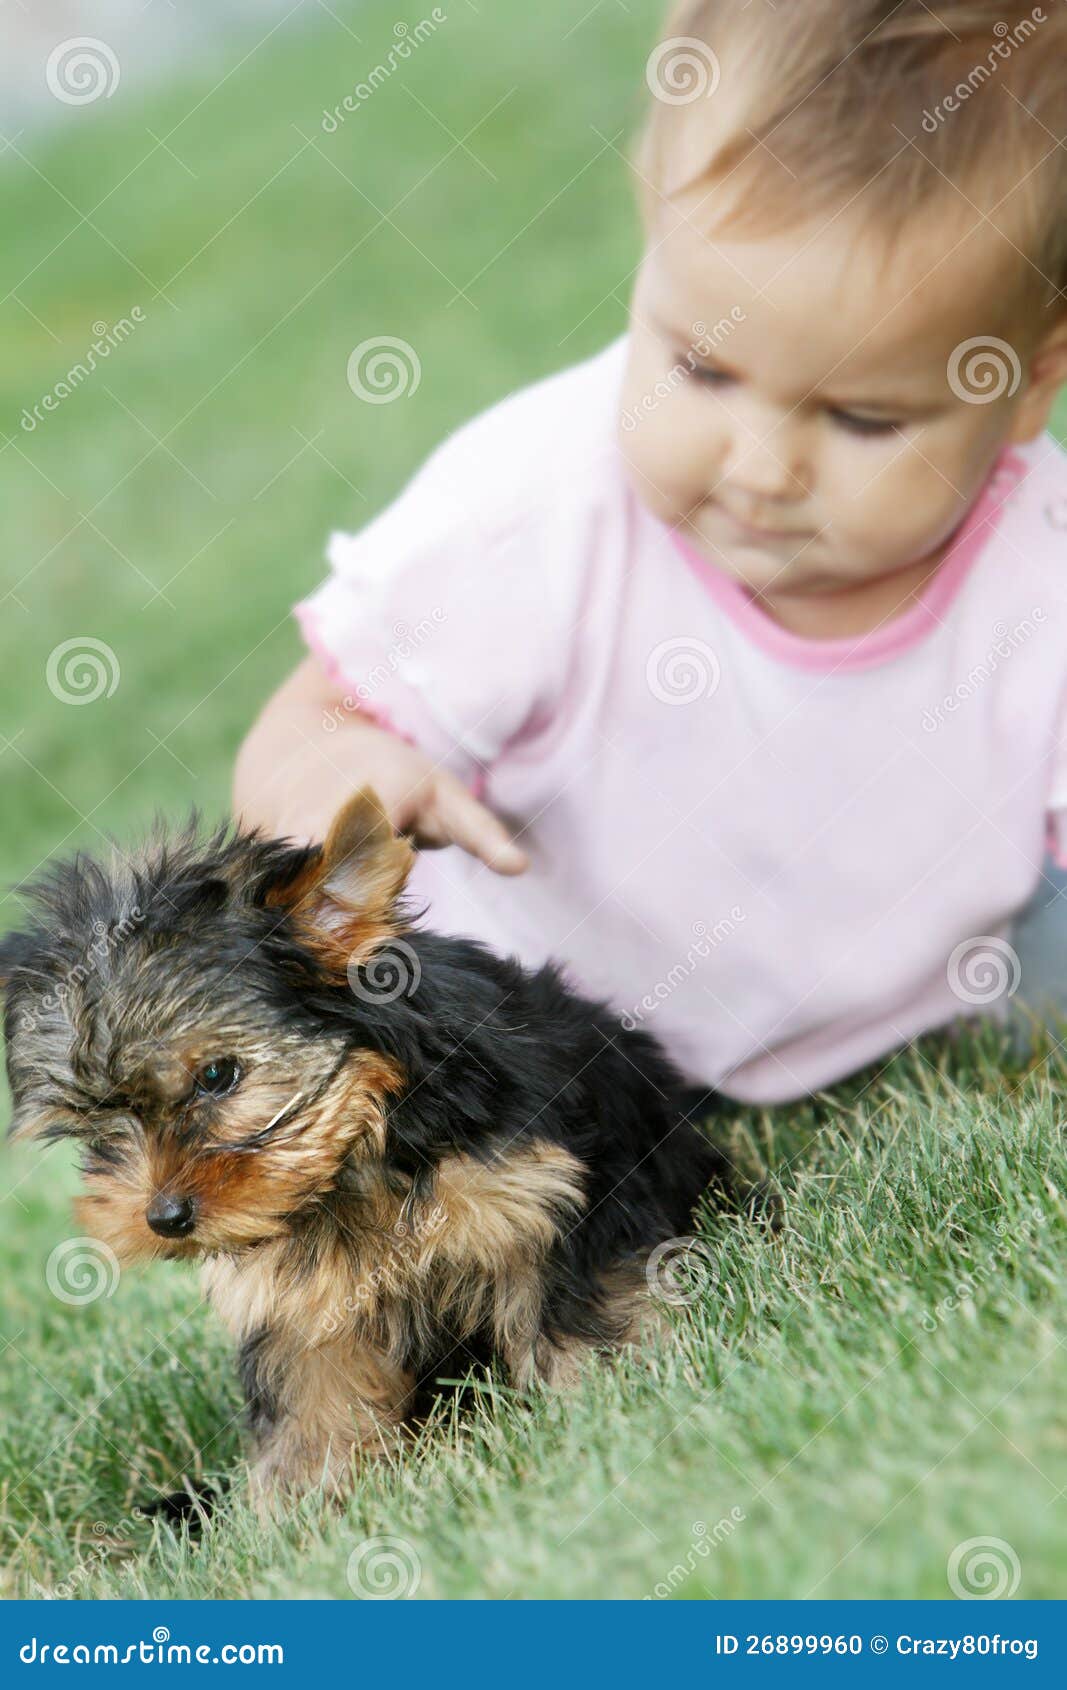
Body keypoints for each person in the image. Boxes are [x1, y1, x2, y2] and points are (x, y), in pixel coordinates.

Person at [234, 0, 1067, 1107]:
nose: (761, 468)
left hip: (919, 1004)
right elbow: (307, 727)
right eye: (703, 368)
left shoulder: (1038, 571)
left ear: (1023, 382)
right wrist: (335, 775)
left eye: (863, 420)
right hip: (546, 1042)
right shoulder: (534, 510)